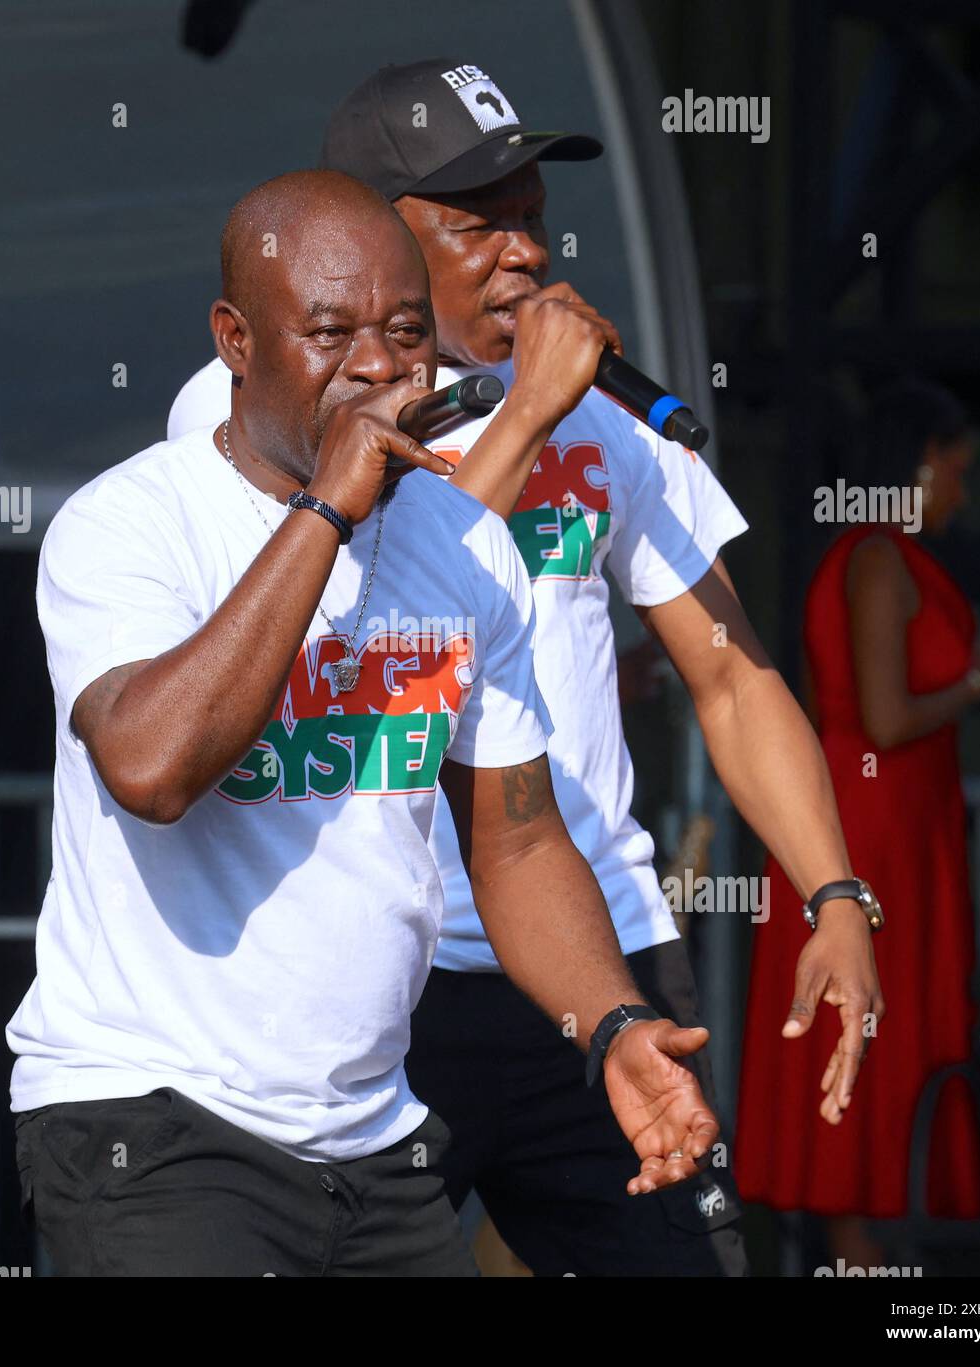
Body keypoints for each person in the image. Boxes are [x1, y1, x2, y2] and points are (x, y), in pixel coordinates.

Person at [168, 60, 885, 1278]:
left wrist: (832, 890)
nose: (523, 254)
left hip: (588, 962)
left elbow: (729, 673)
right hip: (374, 974)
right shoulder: (255, 415)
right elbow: (364, 626)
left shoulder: (602, 423)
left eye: (532, 219)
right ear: (371, 235)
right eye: (478, 223)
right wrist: (522, 424)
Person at [7, 170, 722, 1278]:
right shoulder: (130, 524)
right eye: (331, 332)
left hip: (371, 1138)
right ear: (236, 340)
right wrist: (327, 511)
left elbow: (520, 841)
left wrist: (615, 1025)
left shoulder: (463, 543)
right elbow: (151, 767)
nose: (381, 366)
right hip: (153, 1122)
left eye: (403, 331)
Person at [734, 380, 980, 1270]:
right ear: (922, 466)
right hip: (872, 832)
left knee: (896, 1038)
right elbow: (881, 719)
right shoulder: (878, 558)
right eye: (957, 470)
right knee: (877, 1036)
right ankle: (863, 1254)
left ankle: (872, 1253)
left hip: (889, 825)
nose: (964, 490)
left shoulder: (875, 557)